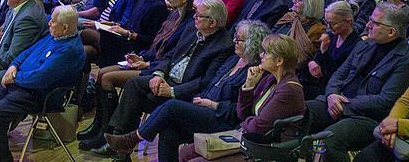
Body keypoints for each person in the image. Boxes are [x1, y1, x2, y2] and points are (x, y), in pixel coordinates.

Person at [82, 0, 236, 157]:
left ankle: (120, 147)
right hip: (167, 78)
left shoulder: (224, 46)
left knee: (137, 100)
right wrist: (158, 74)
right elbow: (170, 55)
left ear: (212, 23)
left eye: (199, 15)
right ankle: (119, 143)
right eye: (196, 13)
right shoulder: (192, 27)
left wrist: (172, 91)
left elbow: (204, 82)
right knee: (133, 85)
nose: (194, 16)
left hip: (184, 92)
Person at [117, 34, 305, 162]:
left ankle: (132, 139)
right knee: (169, 132)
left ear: (279, 61)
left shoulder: (288, 89)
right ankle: (130, 140)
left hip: (256, 144)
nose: (261, 56)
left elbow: (258, 127)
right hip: (241, 130)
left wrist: (224, 113)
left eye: (266, 53)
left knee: (173, 107)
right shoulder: (269, 79)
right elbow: (244, 112)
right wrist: (248, 86)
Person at [0, 5, 86, 162]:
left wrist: (14, 77)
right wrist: (13, 66)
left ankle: (2, 159)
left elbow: (41, 78)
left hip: (40, 96)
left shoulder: (69, 49)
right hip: (22, 86)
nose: (49, 23)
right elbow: (27, 52)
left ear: (65, 28)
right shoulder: (55, 35)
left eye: (53, 21)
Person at [305, 3, 409, 162]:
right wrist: (332, 95)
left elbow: (385, 101)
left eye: (375, 23)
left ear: (391, 32)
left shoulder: (407, 61)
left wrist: (342, 103)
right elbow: (339, 74)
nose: (368, 25)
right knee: (299, 113)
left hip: (366, 117)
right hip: (337, 103)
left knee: (325, 141)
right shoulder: (365, 44)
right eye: (370, 20)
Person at [303, 0, 361, 98]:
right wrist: (311, 63)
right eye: (326, 22)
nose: (328, 27)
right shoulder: (331, 36)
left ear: (348, 22)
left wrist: (324, 52)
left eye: (332, 24)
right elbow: (316, 58)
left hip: (332, 91)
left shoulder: (356, 45)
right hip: (317, 82)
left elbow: (338, 75)